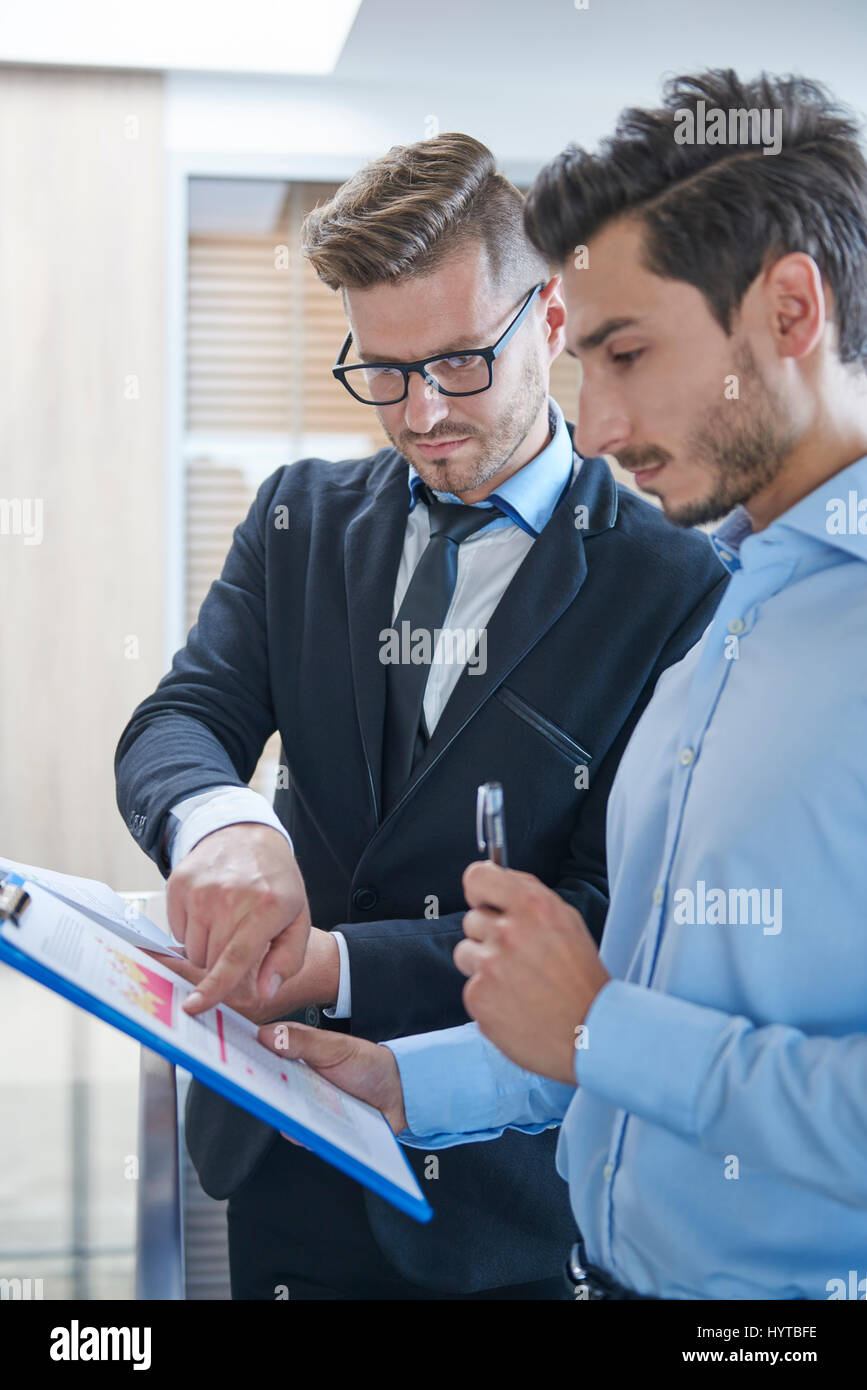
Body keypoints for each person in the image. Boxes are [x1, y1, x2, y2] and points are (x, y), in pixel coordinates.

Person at [260, 70, 867, 1301]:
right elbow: (620, 1015)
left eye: (627, 352)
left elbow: (612, 1026)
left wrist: (599, 1027)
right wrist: (416, 1082)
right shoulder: (727, 617)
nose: (591, 428)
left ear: (791, 309)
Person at [115, 133, 725, 1300]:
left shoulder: (678, 586)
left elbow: (610, 924)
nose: (423, 412)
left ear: (548, 319)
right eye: (384, 371)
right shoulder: (297, 516)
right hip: (278, 1161)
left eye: (458, 361)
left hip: (501, 1209)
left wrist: (338, 966)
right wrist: (221, 824)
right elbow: (182, 716)